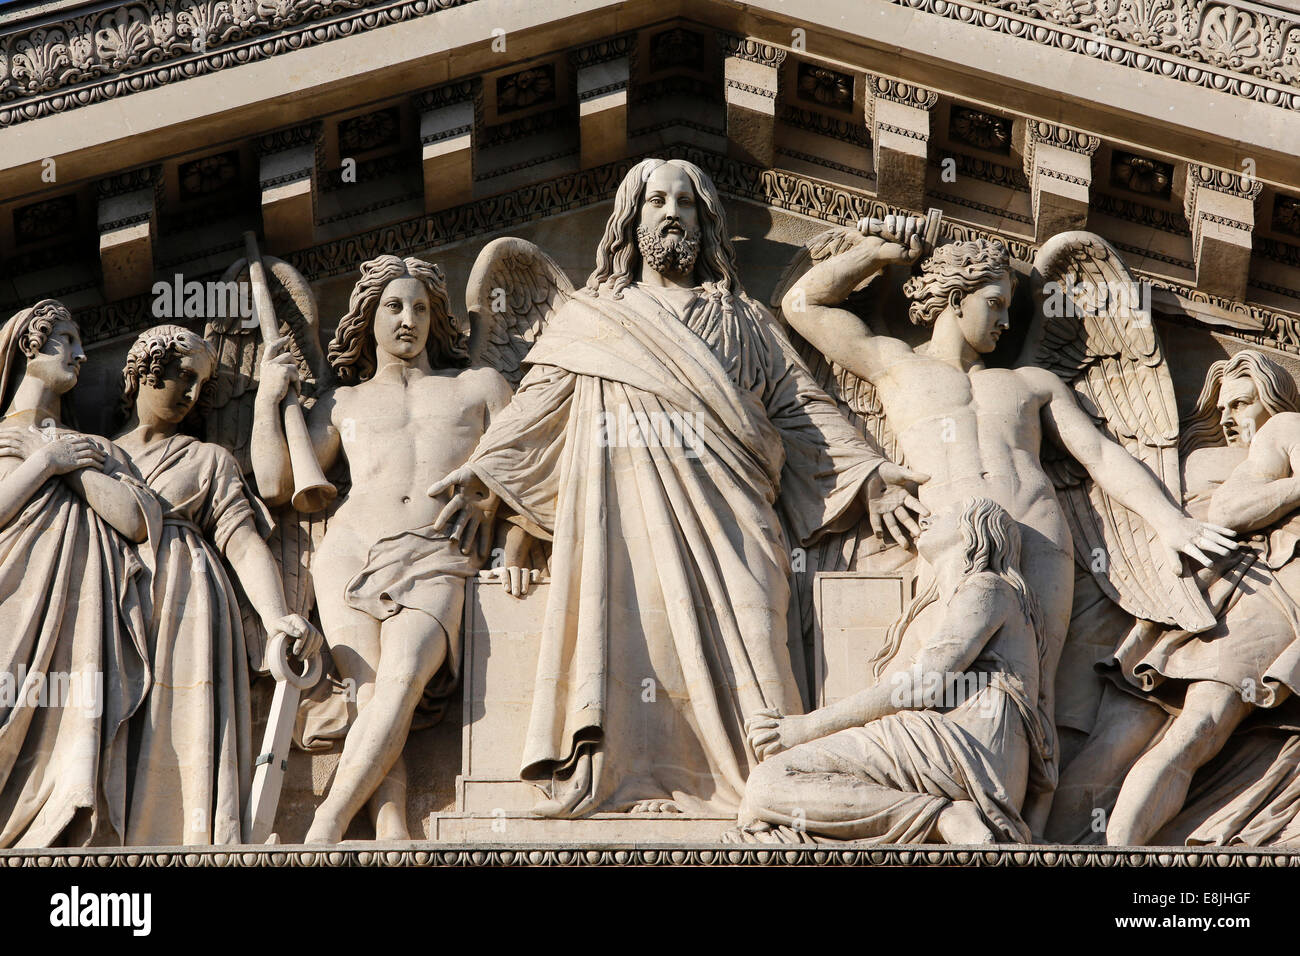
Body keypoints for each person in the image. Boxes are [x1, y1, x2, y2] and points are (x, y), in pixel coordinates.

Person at [431, 158, 927, 817]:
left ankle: (771, 789)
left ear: (705, 221)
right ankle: (628, 777)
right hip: (626, 519)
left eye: (686, 203)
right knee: (635, 639)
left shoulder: (745, 318)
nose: (672, 213)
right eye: (657, 201)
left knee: (760, 648)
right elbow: (539, 403)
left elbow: (800, 404)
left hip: (738, 516)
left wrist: (868, 473)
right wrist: (488, 471)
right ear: (631, 222)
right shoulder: (592, 318)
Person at [782, 220, 1237, 832]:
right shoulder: (894, 365)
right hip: (958, 542)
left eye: (1009, 308)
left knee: (1035, 686)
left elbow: (1101, 457)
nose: (1004, 321)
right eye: (994, 304)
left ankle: (1030, 824)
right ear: (953, 299)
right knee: (943, 666)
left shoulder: (1032, 383)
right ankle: (956, 803)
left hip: (1042, 535)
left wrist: (1170, 523)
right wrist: (880, 252)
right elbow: (802, 303)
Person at [255, 255, 516, 842]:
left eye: (421, 308)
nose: (408, 319)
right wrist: (264, 402)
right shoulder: (339, 404)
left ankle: (327, 820)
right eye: (393, 306)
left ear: (437, 319)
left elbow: (535, 460)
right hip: (349, 548)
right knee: (369, 688)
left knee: (401, 674)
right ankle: (391, 825)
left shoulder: (479, 386)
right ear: (367, 318)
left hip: (438, 549)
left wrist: (489, 498)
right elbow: (275, 485)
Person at [737, 497, 1050, 843]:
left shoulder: (986, 587)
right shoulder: (948, 601)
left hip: (966, 753)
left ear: (973, 530)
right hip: (959, 753)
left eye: (946, 512)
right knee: (766, 793)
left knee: (769, 783)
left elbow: (922, 686)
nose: (930, 515)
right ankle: (940, 815)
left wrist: (804, 728)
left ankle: (942, 815)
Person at [113, 324, 318, 845]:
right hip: (107, 607)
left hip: (187, 603)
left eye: (202, 384)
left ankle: (185, 839)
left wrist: (276, 619)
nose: (190, 392)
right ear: (142, 371)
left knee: (182, 728)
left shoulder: (208, 459)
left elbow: (245, 543)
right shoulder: (95, 453)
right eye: (182, 375)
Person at [0, 300, 155, 847]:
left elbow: (136, 521)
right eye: (67, 339)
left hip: (76, 621)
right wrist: (45, 463)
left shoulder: (96, 449)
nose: (84, 354)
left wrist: (62, 462)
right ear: (29, 346)